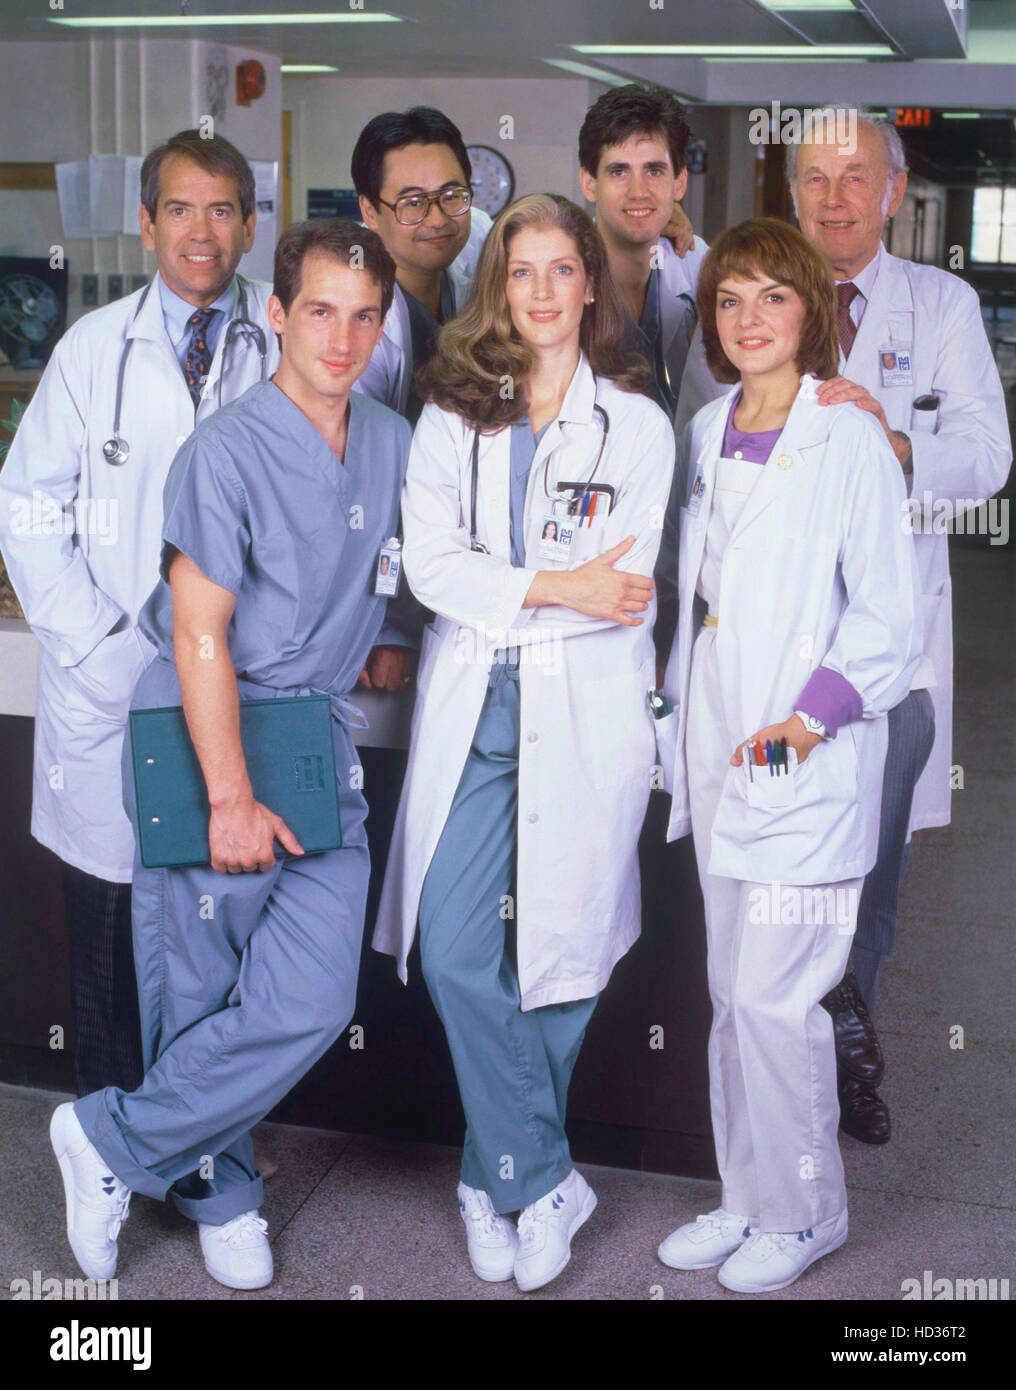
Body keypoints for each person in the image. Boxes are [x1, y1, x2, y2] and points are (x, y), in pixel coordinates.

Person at [49, 219, 414, 1292]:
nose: (339, 339)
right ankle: (223, 1196)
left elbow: (387, 557)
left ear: (381, 323)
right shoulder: (227, 448)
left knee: (308, 998)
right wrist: (228, 796)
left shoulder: (391, 439)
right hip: (208, 729)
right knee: (201, 989)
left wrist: (387, 633)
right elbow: (200, 630)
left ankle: (107, 1139)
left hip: (312, 736)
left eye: (361, 315)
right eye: (317, 312)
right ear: (277, 315)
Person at [373, 194, 675, 1291]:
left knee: (562, 958)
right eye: (521, 271)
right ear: (496, 287)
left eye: (561, 270)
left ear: (589, 285)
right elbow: (430, 570)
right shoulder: (457, 414)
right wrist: (557, 584)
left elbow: (626, 592)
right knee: (456, 949)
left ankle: (488, 1175)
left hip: (582, 716)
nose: (541, 291)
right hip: (472, 717)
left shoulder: (634, 426)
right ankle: (544, 1173)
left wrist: (541, 593)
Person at [655, 218, 920, 1292]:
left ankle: (807, 1208)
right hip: (719, 739)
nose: (749, 316)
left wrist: (805, 722)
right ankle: (746, 1195)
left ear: (808, 309)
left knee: (777, 998)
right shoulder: (709, 425)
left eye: (772, 295)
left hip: (800, 751)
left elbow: (888, 619)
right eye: (728, 297)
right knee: (730, 992)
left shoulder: (845, 434)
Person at [0, 130, 278, 1099]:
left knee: (225, 927)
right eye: (178, 208)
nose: (199, 231)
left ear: (248, 223)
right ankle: (111, 1148)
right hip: (111, 686)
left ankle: (207, 1148)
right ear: (146, 220)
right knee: (111, 940)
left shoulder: (280, 345)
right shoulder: (91, 349)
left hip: (242, 687)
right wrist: (101, 645)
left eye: (219, 210)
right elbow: (28, 509)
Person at [789, 114, 1011, 1142]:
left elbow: (985, 456)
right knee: (782, 872)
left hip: (892, 662)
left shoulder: (941, 304)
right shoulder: (757, 298)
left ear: (892, 189)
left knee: (868, 878)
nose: (832, 197)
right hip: (776, 648)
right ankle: (776, 1061)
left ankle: (845, 1062)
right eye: (813, 176)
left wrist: (893, 447)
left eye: (854, 177)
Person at [578, 83, 718, 430]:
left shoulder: (697, 261)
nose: (638, 192)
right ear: (589, 184)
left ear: (679, 183)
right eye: (619, 171)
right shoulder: (563, 274)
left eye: (654, 171)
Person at [352, 106, 485, 424]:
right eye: (413, 203)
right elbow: (359, 448)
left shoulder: (478, 236)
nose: (438, 219)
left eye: (452, 194)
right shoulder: (353, 312)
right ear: (370, 212)